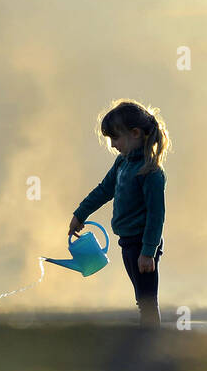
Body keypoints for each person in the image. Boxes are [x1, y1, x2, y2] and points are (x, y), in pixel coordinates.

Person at [68, 99, 170, 328]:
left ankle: (152, 342)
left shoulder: (151, 172)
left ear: (135, 134)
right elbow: (105, 189)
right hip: (127, 242)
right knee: (141, 298)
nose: (113, 144)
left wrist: (148, 252)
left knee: (147, 299)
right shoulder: (122, 164)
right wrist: (80, 214)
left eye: (115, 137)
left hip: (142, 244)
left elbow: (156, 216)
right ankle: (148, 339)